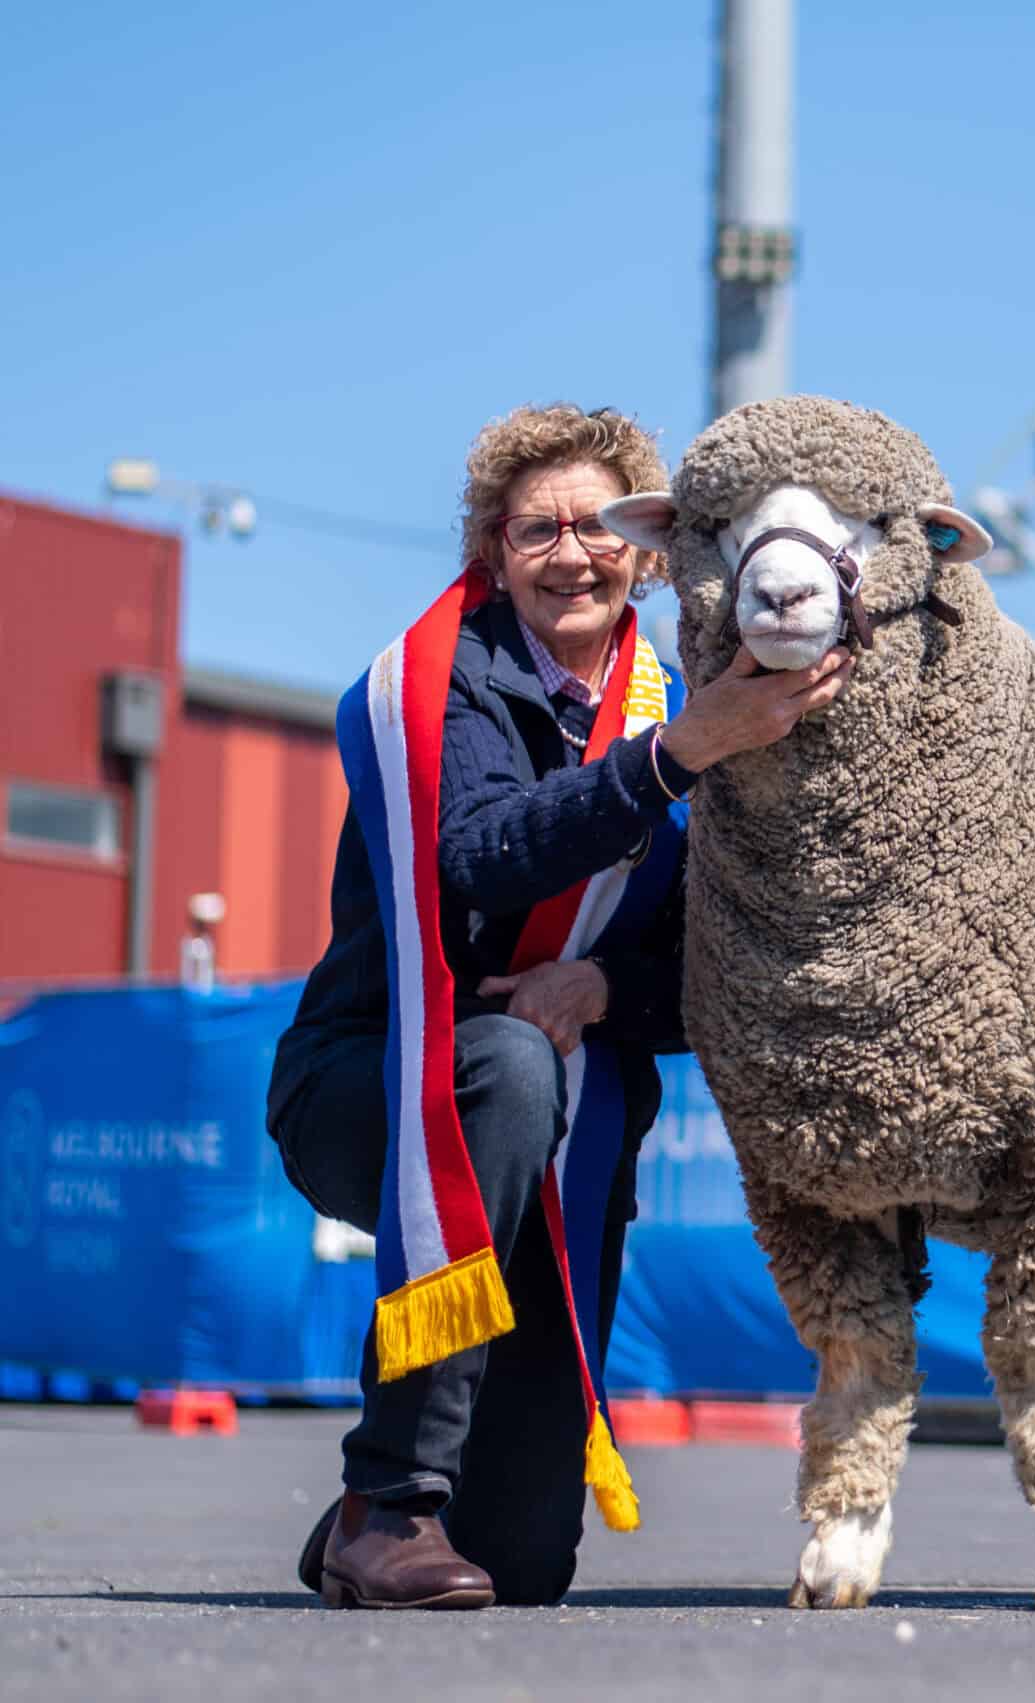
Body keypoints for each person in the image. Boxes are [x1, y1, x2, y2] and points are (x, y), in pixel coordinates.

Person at [269, 403, 852, 1608]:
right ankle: (390, 1499)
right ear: (491, 552)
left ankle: (366, 1524)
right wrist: (675, 756)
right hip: (378, 1083)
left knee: (525, 1561)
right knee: (509, 1065)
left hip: (573, 1117)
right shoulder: (436, 688)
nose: (571, 552)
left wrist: (604, 983)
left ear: (643, 548)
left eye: (596, 525)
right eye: (536, 529)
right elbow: (482, 856)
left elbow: (725, 962)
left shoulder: (696, 694)